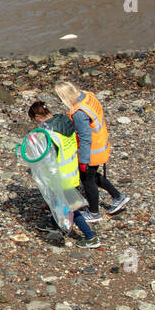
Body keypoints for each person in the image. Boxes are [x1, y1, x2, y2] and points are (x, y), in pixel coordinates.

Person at [28, 100, 99, 247]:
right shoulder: (65, 121)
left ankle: (90, 237)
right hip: (72, 170)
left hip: (60, 175)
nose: (36, 123)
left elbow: (47, 158)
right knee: (58, 201)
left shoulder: (48, 134)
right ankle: (54, 224)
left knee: (71, 206)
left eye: (34, 120)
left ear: (38, 117)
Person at [54, 81, 129, 221]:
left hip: (92, 151)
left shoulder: (78, 113)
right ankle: (118, 197)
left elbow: (85, 138)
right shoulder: (87, 96)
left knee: (88, 180)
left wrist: (83, 160)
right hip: (101, 143)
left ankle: (94, 213)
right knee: (93, 175)